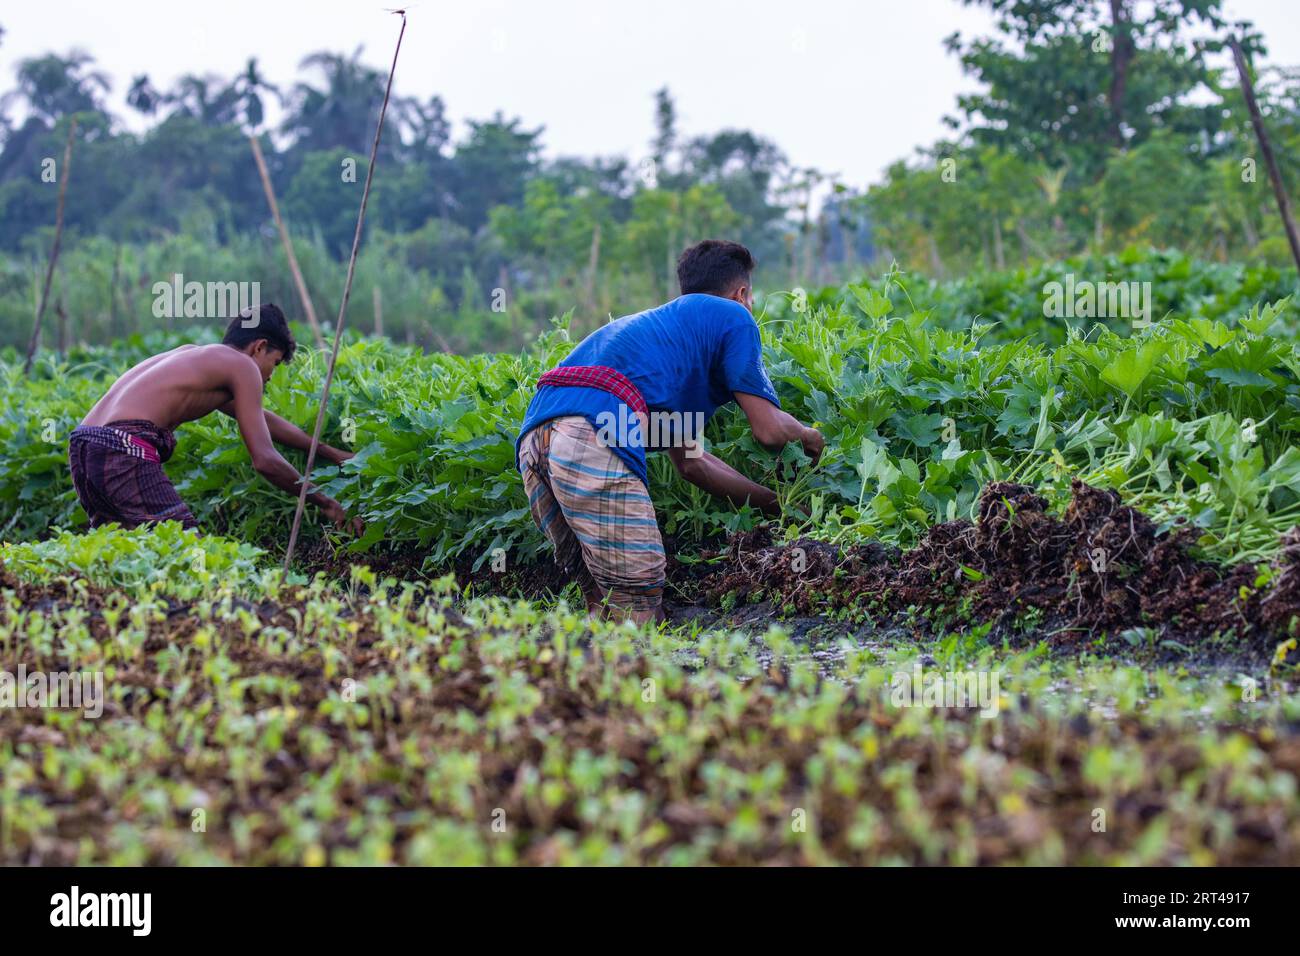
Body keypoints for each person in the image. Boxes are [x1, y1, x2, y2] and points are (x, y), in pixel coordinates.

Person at [517, 239, 824, 624]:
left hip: (536, 435)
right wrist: (812, 438)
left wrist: (775, 505)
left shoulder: (666, 334)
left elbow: (693, 464)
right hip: (592, 430)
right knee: (639, 603)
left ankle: (586, 675)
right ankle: (645, 680)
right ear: (742, 293)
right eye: (750, 298)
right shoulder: (734, 316)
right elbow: (769, 430)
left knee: (601, 597)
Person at [69, 303, 361, 534]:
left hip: (85, 446)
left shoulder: (197, 358)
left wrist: (329, 452)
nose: (270, 376)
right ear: (259, 347)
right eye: (274, 363)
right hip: (123, 448)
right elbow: (264, 459)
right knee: (184, 553)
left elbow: (263, 420)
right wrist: (327, 504)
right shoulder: (243, 367)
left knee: (126, 552)